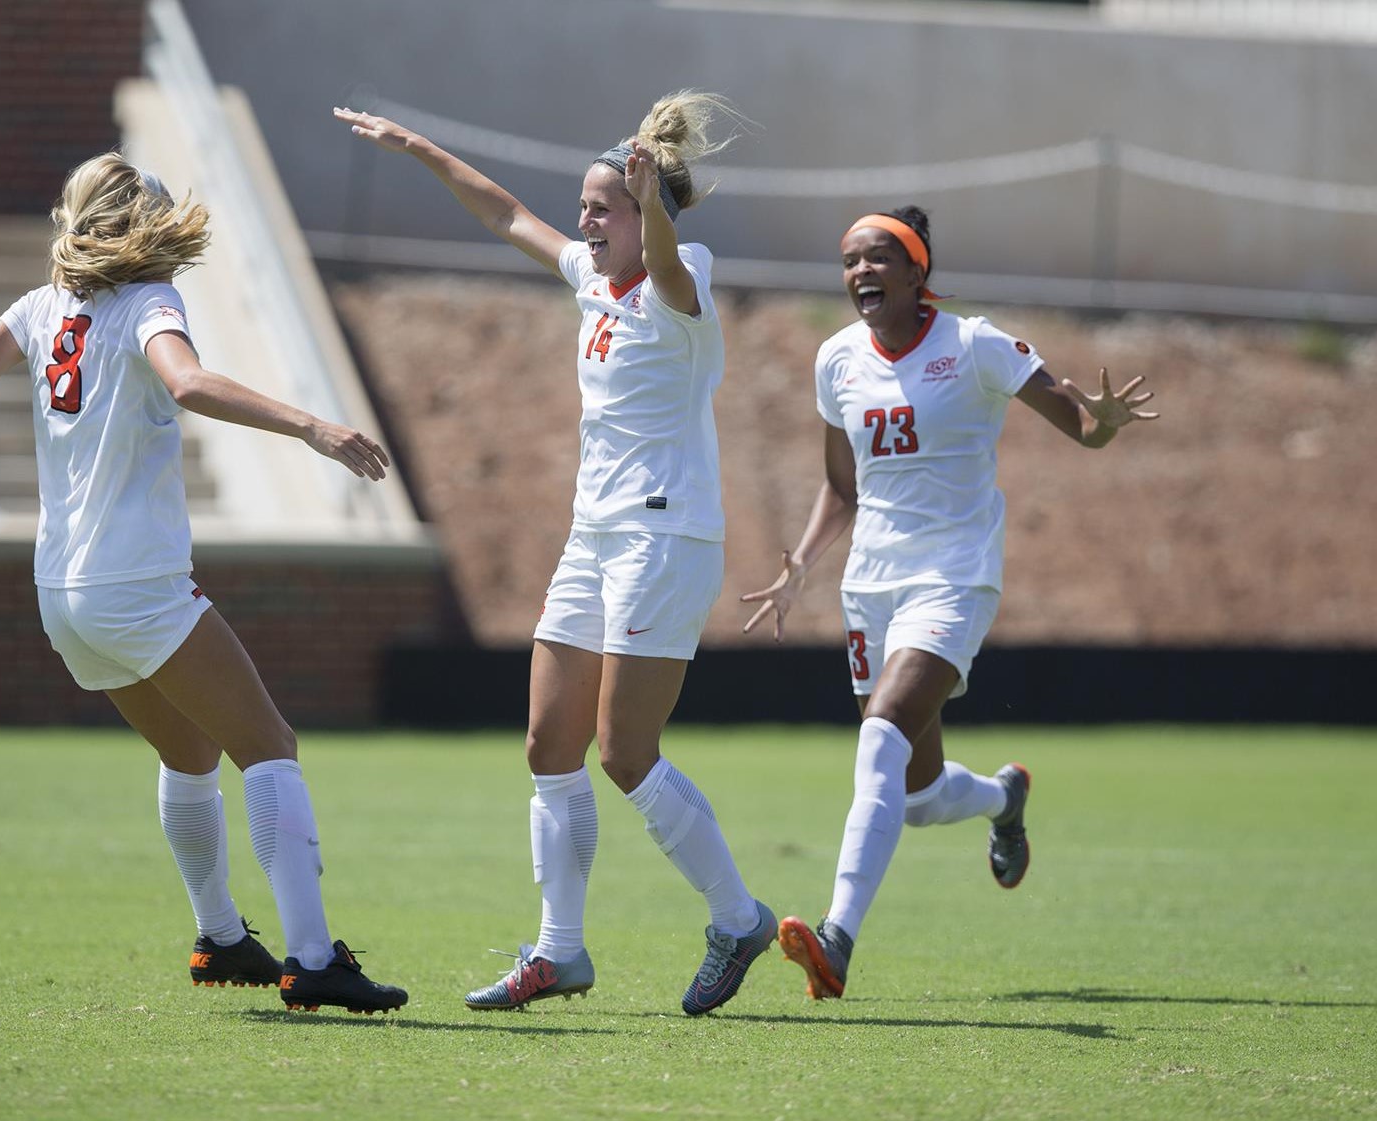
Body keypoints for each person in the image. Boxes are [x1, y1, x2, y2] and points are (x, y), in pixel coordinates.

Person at [0, 153, 407, 1015]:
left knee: (189, 751)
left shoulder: (39, 308)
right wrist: (312, 426)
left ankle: (220, 936)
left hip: (61, 598)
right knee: (271, 746)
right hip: (136, 583)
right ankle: (313, 960)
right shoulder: (149, 302)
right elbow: (186, 381)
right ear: (131, 221)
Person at [336, 94, 778, 1016]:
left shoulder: (682, 267)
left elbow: (661, 257)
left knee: (626, 752)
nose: (586, 218)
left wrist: (652, 204)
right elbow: (503, 213)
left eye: (604, 205)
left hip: (666, 534)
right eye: (586, 204)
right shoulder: (590, 276)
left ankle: (738, 917)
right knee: (548, 743)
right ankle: (558, 951)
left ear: (647, 209)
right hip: (595, 533)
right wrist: (417, 142)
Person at [740, 206, 1157, 999]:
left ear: (915, 272)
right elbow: (842, 486)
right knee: (917, 794)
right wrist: (799, 565)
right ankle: (1003, 797)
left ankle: (836, 941)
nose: (860, 272)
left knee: (878, 740)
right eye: (849, 261)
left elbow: (1081, 424)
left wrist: (1102, 425)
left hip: (953, 575)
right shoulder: (835, 359)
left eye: (877, 259)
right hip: (871, 583)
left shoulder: (973, 345)